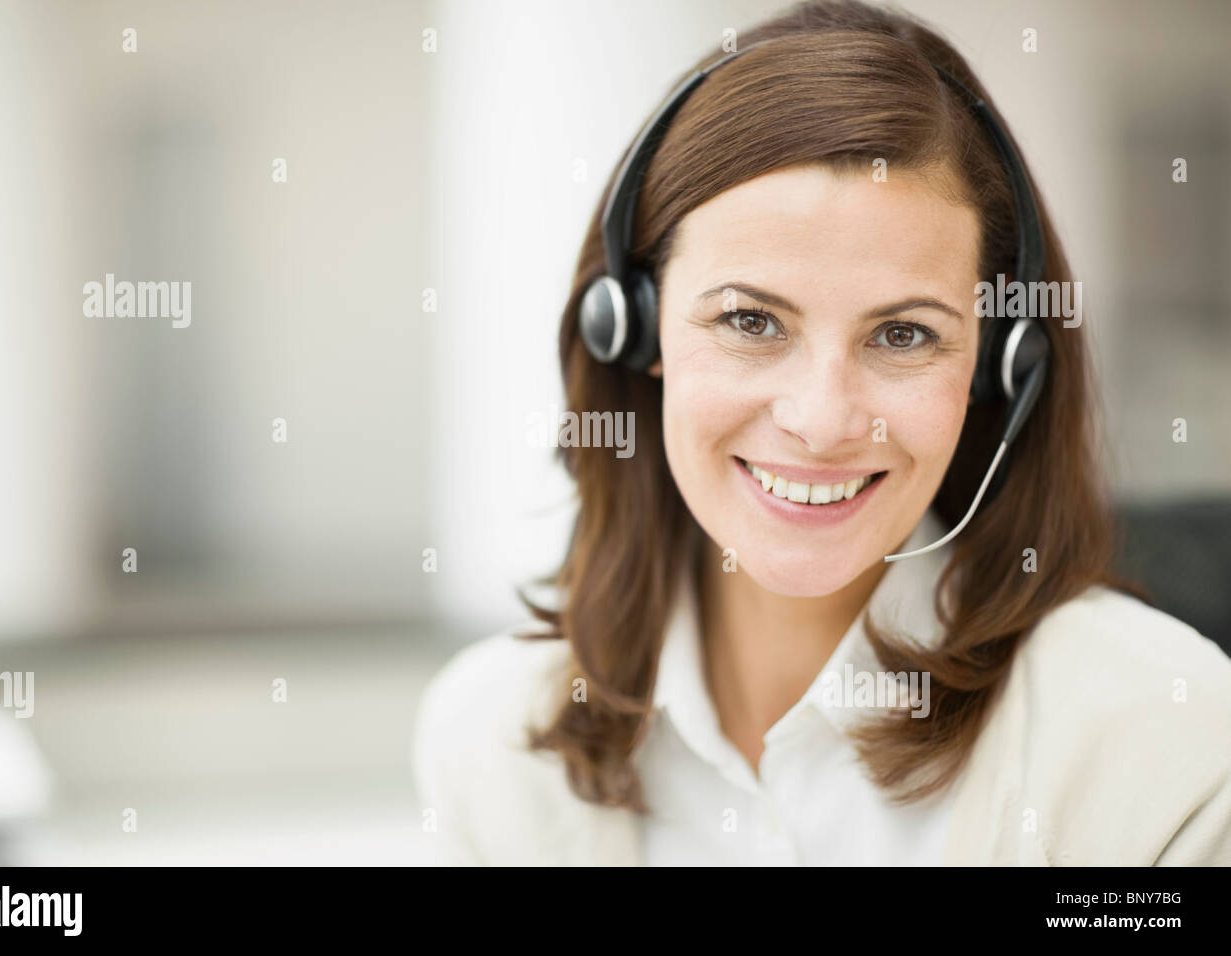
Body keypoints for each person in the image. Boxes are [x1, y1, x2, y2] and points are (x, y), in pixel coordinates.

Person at [411, 0, 1231, 865]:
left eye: (903, 334)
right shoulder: (493, 740)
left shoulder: (1168, 742)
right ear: (636, 330)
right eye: (751, 321)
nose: (823, 419)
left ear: (1001, 366)